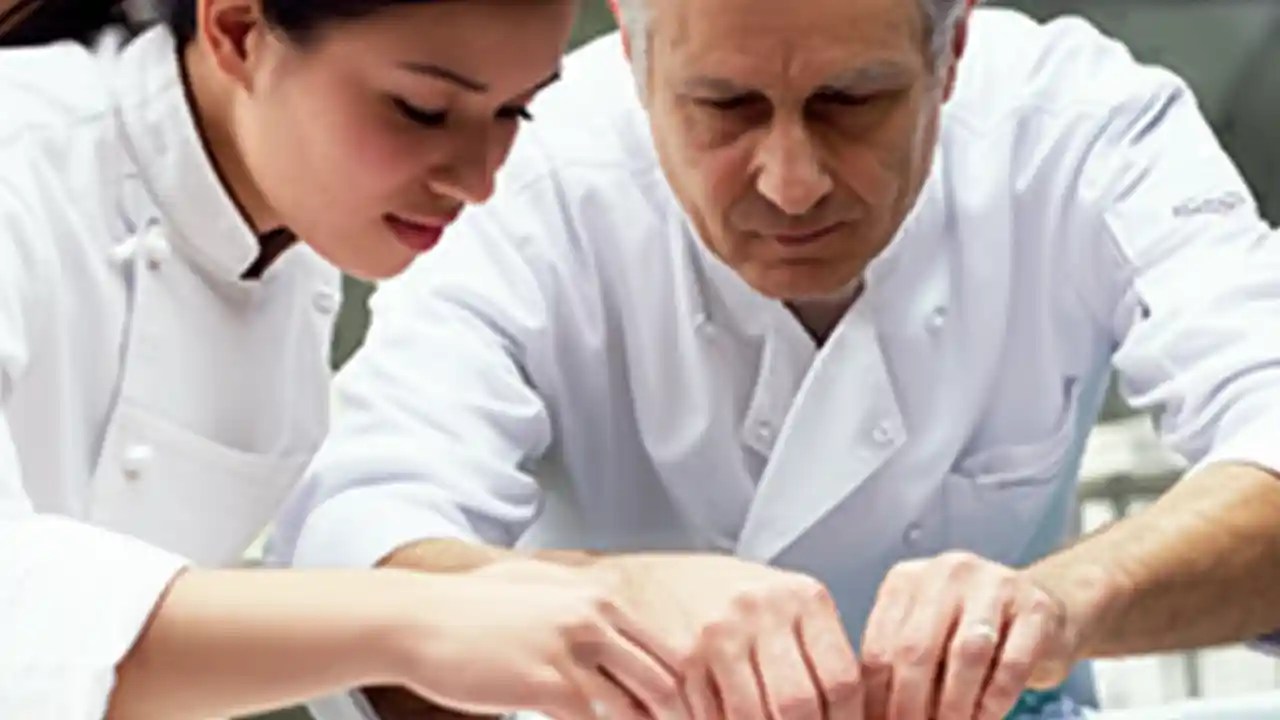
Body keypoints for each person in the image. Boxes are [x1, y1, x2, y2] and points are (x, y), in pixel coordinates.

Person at [273, 0, 1280, 718]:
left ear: (951, 50)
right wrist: (608, 611)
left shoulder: (1079, 126)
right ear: (631, 51)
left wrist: (1058, 604)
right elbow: (361, 535)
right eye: (723, 106)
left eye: (852, 100)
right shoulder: (535, 171)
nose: (789, 184)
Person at [0, 1, 693, 719]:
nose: (479, 181)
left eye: (514, 114)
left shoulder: (289, 241)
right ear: (237, 31)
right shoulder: (19, 154)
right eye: (422, 110)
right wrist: (422, 621)